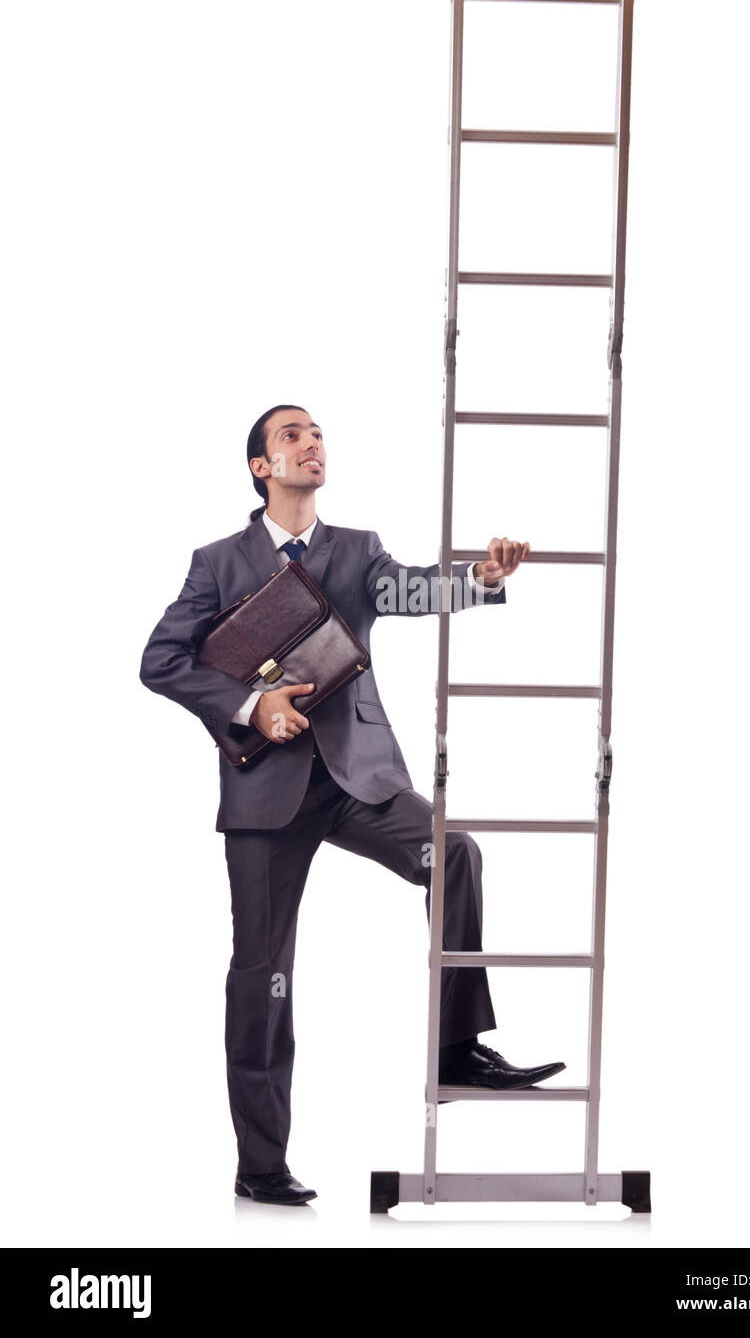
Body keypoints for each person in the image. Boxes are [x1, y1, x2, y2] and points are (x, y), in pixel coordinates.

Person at [139, 402, 566, 1206]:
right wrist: (250, 706)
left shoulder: (355, 550)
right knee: (262, 976)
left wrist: (480, 578)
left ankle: (457, 1045)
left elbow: (409, 592)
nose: (312, 443)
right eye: (291, 435)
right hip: (267, 792)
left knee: (455, 851)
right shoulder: (216, 562)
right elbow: (160, 661)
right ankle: (261, 1165)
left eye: (318, 433)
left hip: (358, 780)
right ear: (261, 467)